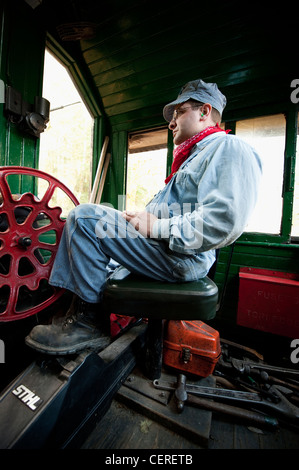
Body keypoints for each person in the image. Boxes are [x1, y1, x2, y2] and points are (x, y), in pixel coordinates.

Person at [25, 79, 262, 355]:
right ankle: (79, 312)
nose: (172, 123)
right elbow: (179, 212)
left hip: (183, 257)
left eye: (179, 112)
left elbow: (223, 223)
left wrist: (156, 226)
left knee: (84, 219)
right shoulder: (193, 158)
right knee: (98, 220)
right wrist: (139, 218)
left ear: (204, 111)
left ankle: (90, 324)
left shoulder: (229, 148)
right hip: (169, 250)